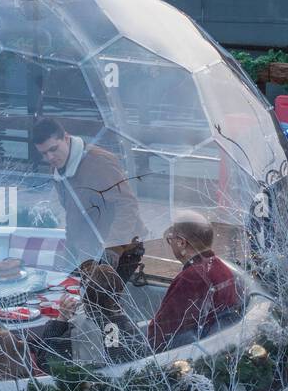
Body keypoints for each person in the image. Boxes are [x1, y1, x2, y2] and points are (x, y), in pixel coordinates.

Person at [32, 116, 144, 274]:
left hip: (123, 250)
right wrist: (69, 253)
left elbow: (128, 204)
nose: (50, 157)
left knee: (100, 298)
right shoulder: (57, 168)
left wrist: (114, 247)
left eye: (53, 149)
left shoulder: (99, 162)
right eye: (43, 153)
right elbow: (73, 214)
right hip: (90, 251)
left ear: (66, 138)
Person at [147, 211, 242, 351]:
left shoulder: (191, 278)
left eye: (170, 239)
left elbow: (160, 331)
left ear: (181, 242)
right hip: (215, 344)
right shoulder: (221, 268)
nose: (171, 243)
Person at [33, 260, 146, 368]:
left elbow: (45, 361)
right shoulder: (130, 329)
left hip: (85, 386)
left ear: (84, 293)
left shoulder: (80, 332)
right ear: (119, 293)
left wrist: (61, 320)